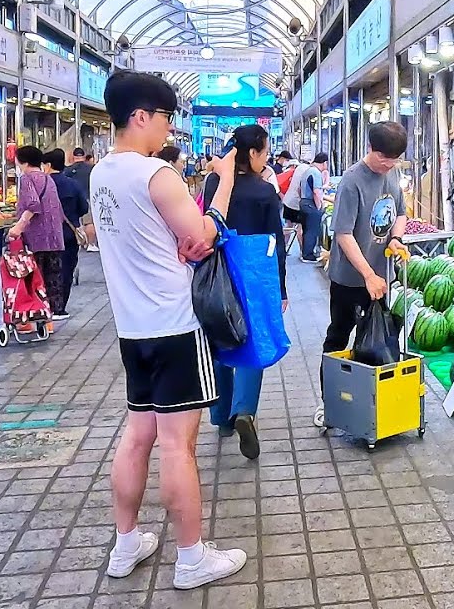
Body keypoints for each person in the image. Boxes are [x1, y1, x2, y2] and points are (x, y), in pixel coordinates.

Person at [92, 70, 246, 588]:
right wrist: (221, 185)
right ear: (140, 116)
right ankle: (191, 558)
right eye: (165, 119)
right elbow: (202, 232)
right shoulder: (155, 174)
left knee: (138, 435)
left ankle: (126, 543)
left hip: (132, 328)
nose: (168, 130)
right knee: (178, 444)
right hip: (177, 325)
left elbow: (170, 237)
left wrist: (185, 236)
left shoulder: (102, 174)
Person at [201, 124, 287, 459]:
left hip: (220, 269)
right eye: (264, 152)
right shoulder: (264, 191)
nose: (265, 159)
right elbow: (276, 243)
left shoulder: (213, 182)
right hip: (255, 273)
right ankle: (244, 411)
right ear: (252, 153)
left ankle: (221, 418)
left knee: (222, 338)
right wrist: (280, 288)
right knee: (253, 341)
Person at [324, 123, 409, 353]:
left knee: (375, 340)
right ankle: (332, 388)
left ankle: (368, 388)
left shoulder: (392, 172)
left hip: (381, 278)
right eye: (383, 157)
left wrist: (396, 239)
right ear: (370, 147)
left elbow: (400, 212)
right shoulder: (352, 181)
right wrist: (368, 275)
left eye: (395, 159)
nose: (388, 164)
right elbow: (343, 234)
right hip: (349, 279)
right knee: (339, 335)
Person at [9, 145, 67, 319]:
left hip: (36, 237)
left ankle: (38, 310)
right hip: (54, 237)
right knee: (53, 274)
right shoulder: (48, 178)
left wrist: (18, 226)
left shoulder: (27, 178)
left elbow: (33, 204)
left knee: (36, 276)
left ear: (22, 161)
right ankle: (54, 309)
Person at [43, 149, 92, 319]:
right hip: (68, 234)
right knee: (66, 270)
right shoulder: (72, 184)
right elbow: (83, 208)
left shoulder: (41, 184)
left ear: (48, 165)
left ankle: (44, 305)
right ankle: (60, 307)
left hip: (46, 237)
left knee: (46, 271)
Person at [282, 153, 328, 264]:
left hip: (302, 203)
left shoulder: (307, 171)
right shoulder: (316, 173)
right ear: (324, 163)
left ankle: (303, 253)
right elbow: (317, 192)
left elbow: (299, 189)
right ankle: (308, 255)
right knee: (311, 230)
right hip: (310, 204)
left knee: (305, 229)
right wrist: (319, 206)